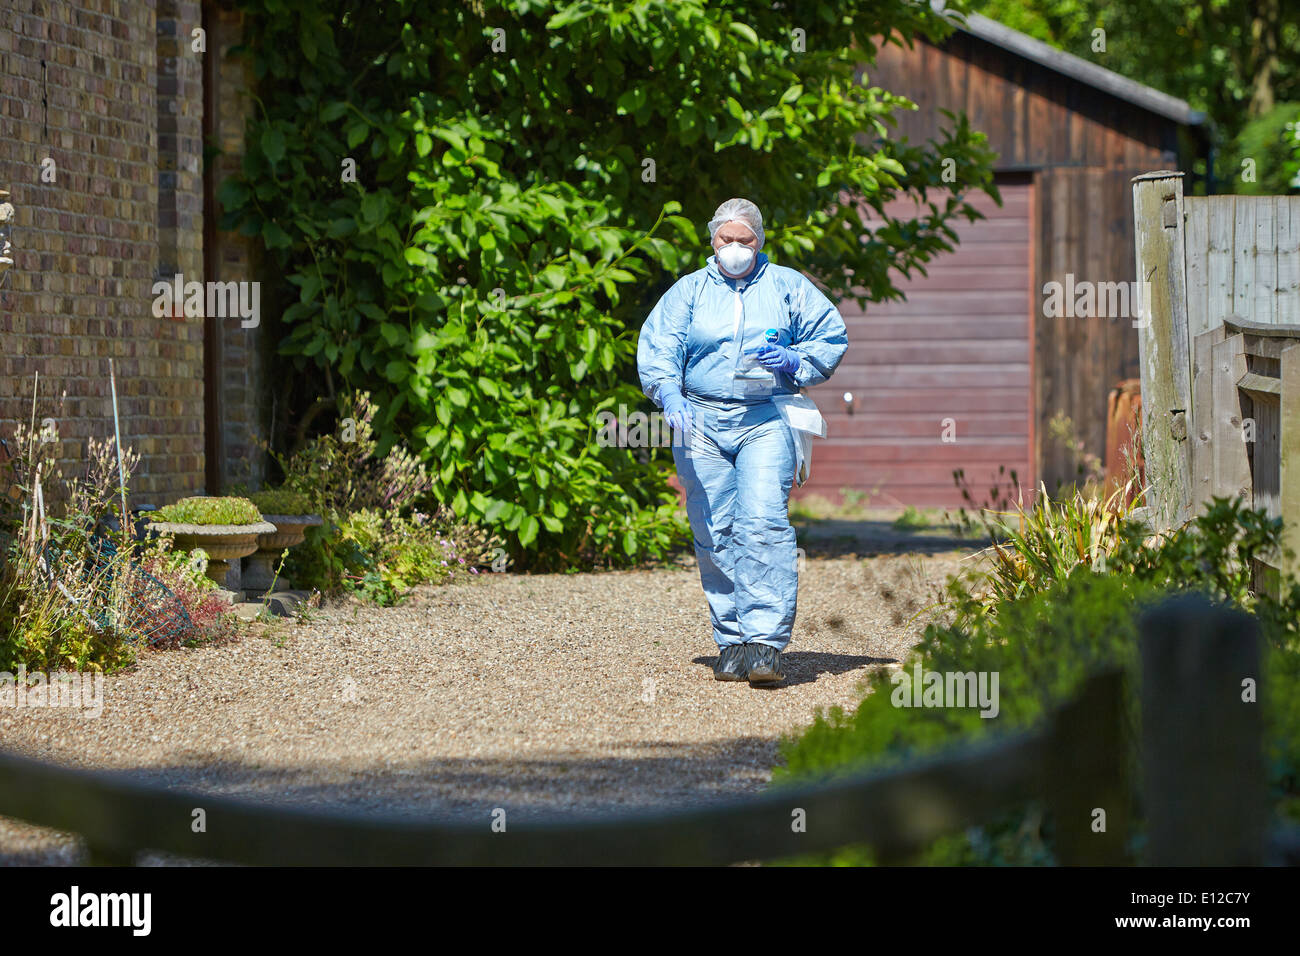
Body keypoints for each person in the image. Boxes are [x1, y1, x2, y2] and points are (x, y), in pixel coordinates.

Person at [637, 198, 848, 685]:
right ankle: (730, 640)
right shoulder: (688, 291)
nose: (734, 249)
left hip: (765, 416)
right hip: (701, 422)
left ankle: (765, 643)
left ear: (761, 241)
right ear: (712, 241)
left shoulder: (788, 286)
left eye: (744, 240)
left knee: (763, 520)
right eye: (724, 240)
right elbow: (659, 345)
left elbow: (830, 336)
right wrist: (669, 393)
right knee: (713, 528)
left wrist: (794, 361)